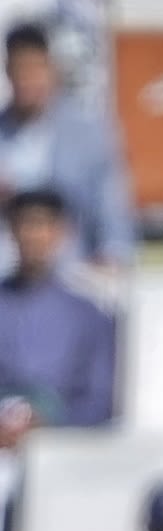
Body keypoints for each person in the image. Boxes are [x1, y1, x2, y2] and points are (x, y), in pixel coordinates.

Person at [0, 185, 115, 467]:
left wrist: (49, 423)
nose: (34, 235)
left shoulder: (87, 315)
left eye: (43, 225)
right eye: (26, 224)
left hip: (63, 453)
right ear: (12, 230)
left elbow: (99, 401)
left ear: (61, 232)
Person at [0, 21, 132, 263]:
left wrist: (112, 256)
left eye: (35, 68)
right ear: (8, 71)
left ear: (52, 69)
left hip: (70, 266)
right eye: (20, 69)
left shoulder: (89, 135)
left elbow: (111, 209)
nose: (27, 79)